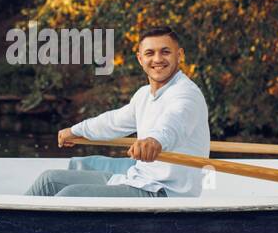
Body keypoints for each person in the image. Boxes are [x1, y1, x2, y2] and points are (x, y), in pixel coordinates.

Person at [26, 25, 210, 198]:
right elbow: (113, 121)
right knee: (48, 181)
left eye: (165, 52)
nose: (157, 59)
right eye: (149, 53)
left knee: (70, 195)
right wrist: (75, 130)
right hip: (138, 177)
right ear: (140, 59)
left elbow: (172, 125)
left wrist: (154, 142)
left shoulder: (186, 95)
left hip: (164, 192)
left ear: (180, 55)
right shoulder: (144, 94)